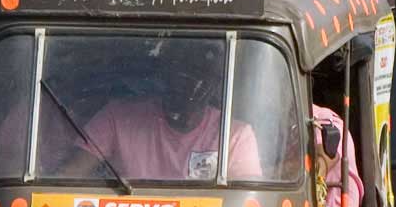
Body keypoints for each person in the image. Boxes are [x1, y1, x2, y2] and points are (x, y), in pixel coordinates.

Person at [62, 43, 262, 181]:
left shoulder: (234, 136)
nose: (187, 84)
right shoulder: (118, 118)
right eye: (179, 72)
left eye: (198, 74)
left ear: (215, 84)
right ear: (164, 75)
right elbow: (67, 179)